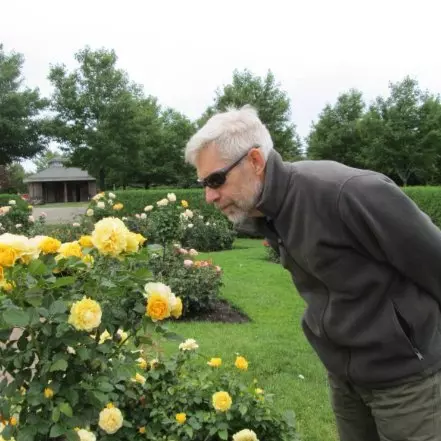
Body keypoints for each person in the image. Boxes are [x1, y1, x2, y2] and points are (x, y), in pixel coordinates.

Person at [184, 104, 441, 441]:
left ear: (256, 162)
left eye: (216, 179)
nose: (209, 196)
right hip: (344, 380)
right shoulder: (267, 212)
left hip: (408, 382)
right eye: (204, 183)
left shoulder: (347, 192)